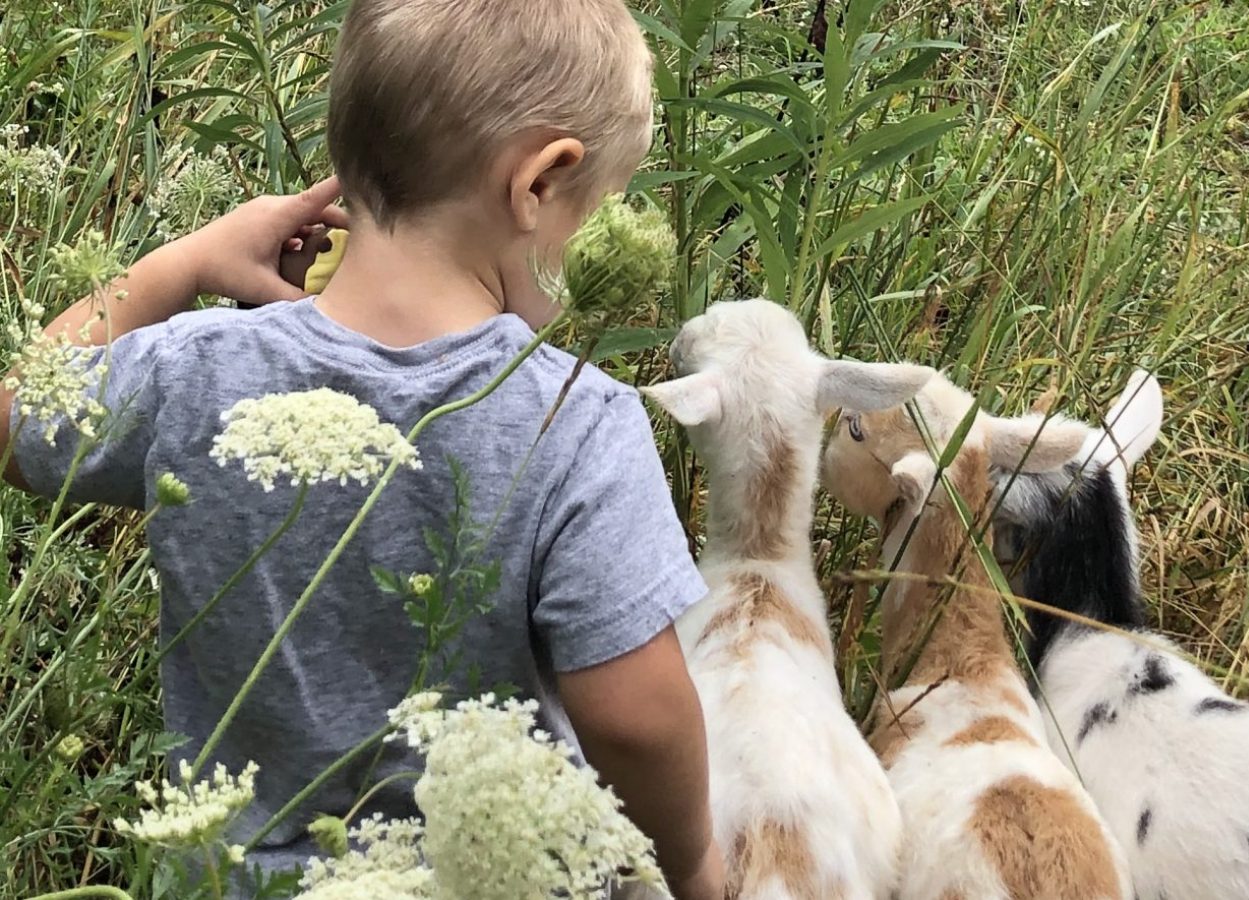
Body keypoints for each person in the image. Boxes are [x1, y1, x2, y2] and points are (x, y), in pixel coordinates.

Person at [0, 1, 724, 896]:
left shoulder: (194, 368)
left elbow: (14, 420)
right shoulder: (578, 424)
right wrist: (693, 863)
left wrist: (181, 264)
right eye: (601, 213)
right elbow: (636, 719)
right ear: (541, 182)